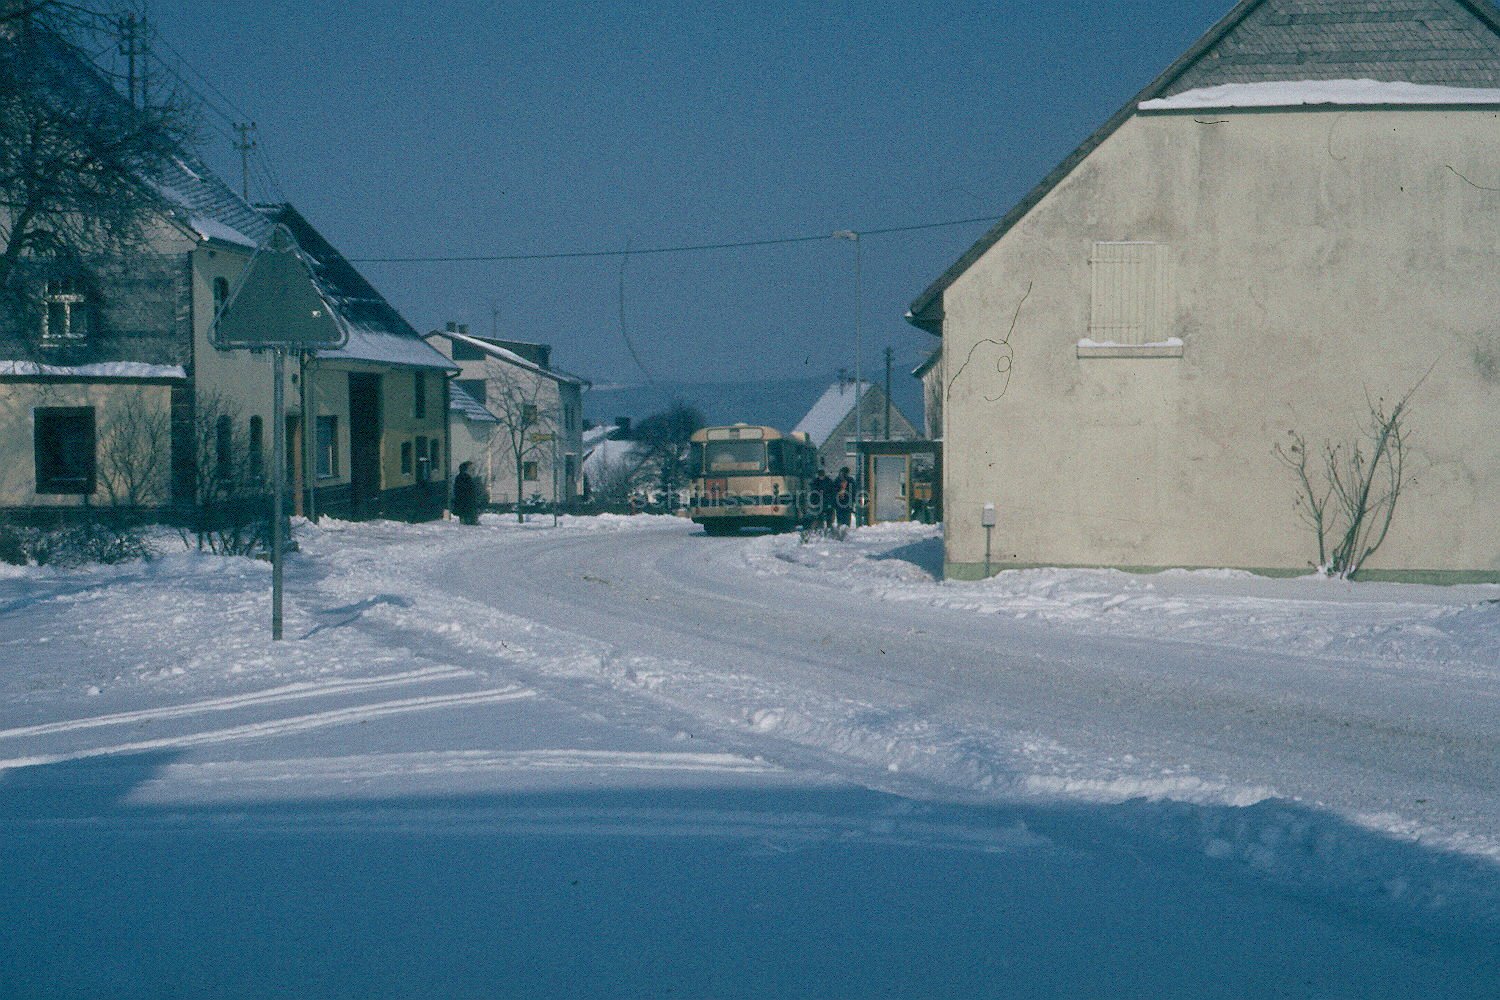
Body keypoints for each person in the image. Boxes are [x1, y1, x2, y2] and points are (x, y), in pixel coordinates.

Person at [452, 461, 482, 525]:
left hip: (466, 508)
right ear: (466, 469)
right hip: (467, 508)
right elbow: (466, 494)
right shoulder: (464, 478)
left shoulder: (462, 478)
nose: (473, 470)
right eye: (471, 468)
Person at [810, 465, 835, 529]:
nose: (821, 476)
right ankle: (824, 529)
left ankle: (825, 528)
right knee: (821, 517)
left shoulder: (816, 481)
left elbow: (813, 492)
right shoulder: (828, 481)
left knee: (825, 517)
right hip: (822, 502)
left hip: (825, 502)